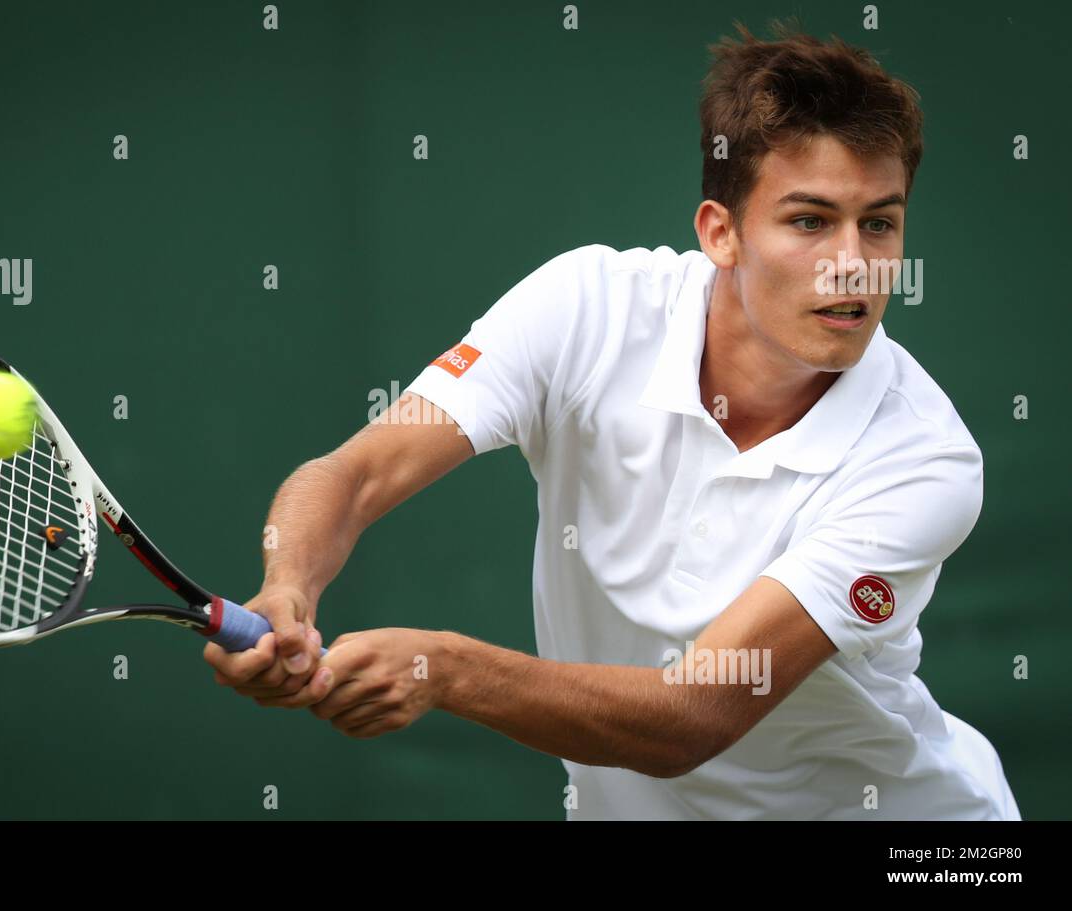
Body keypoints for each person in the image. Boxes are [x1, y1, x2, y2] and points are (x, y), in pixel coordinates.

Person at [203, 19, 1020, 820]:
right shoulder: (585, 307)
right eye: (809, 221)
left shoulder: (924, 461)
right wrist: (288, 588)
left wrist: (443, 667)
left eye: (878, 222)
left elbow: (696, 714)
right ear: (721, 233)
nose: (852, 262)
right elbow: (354, 472)